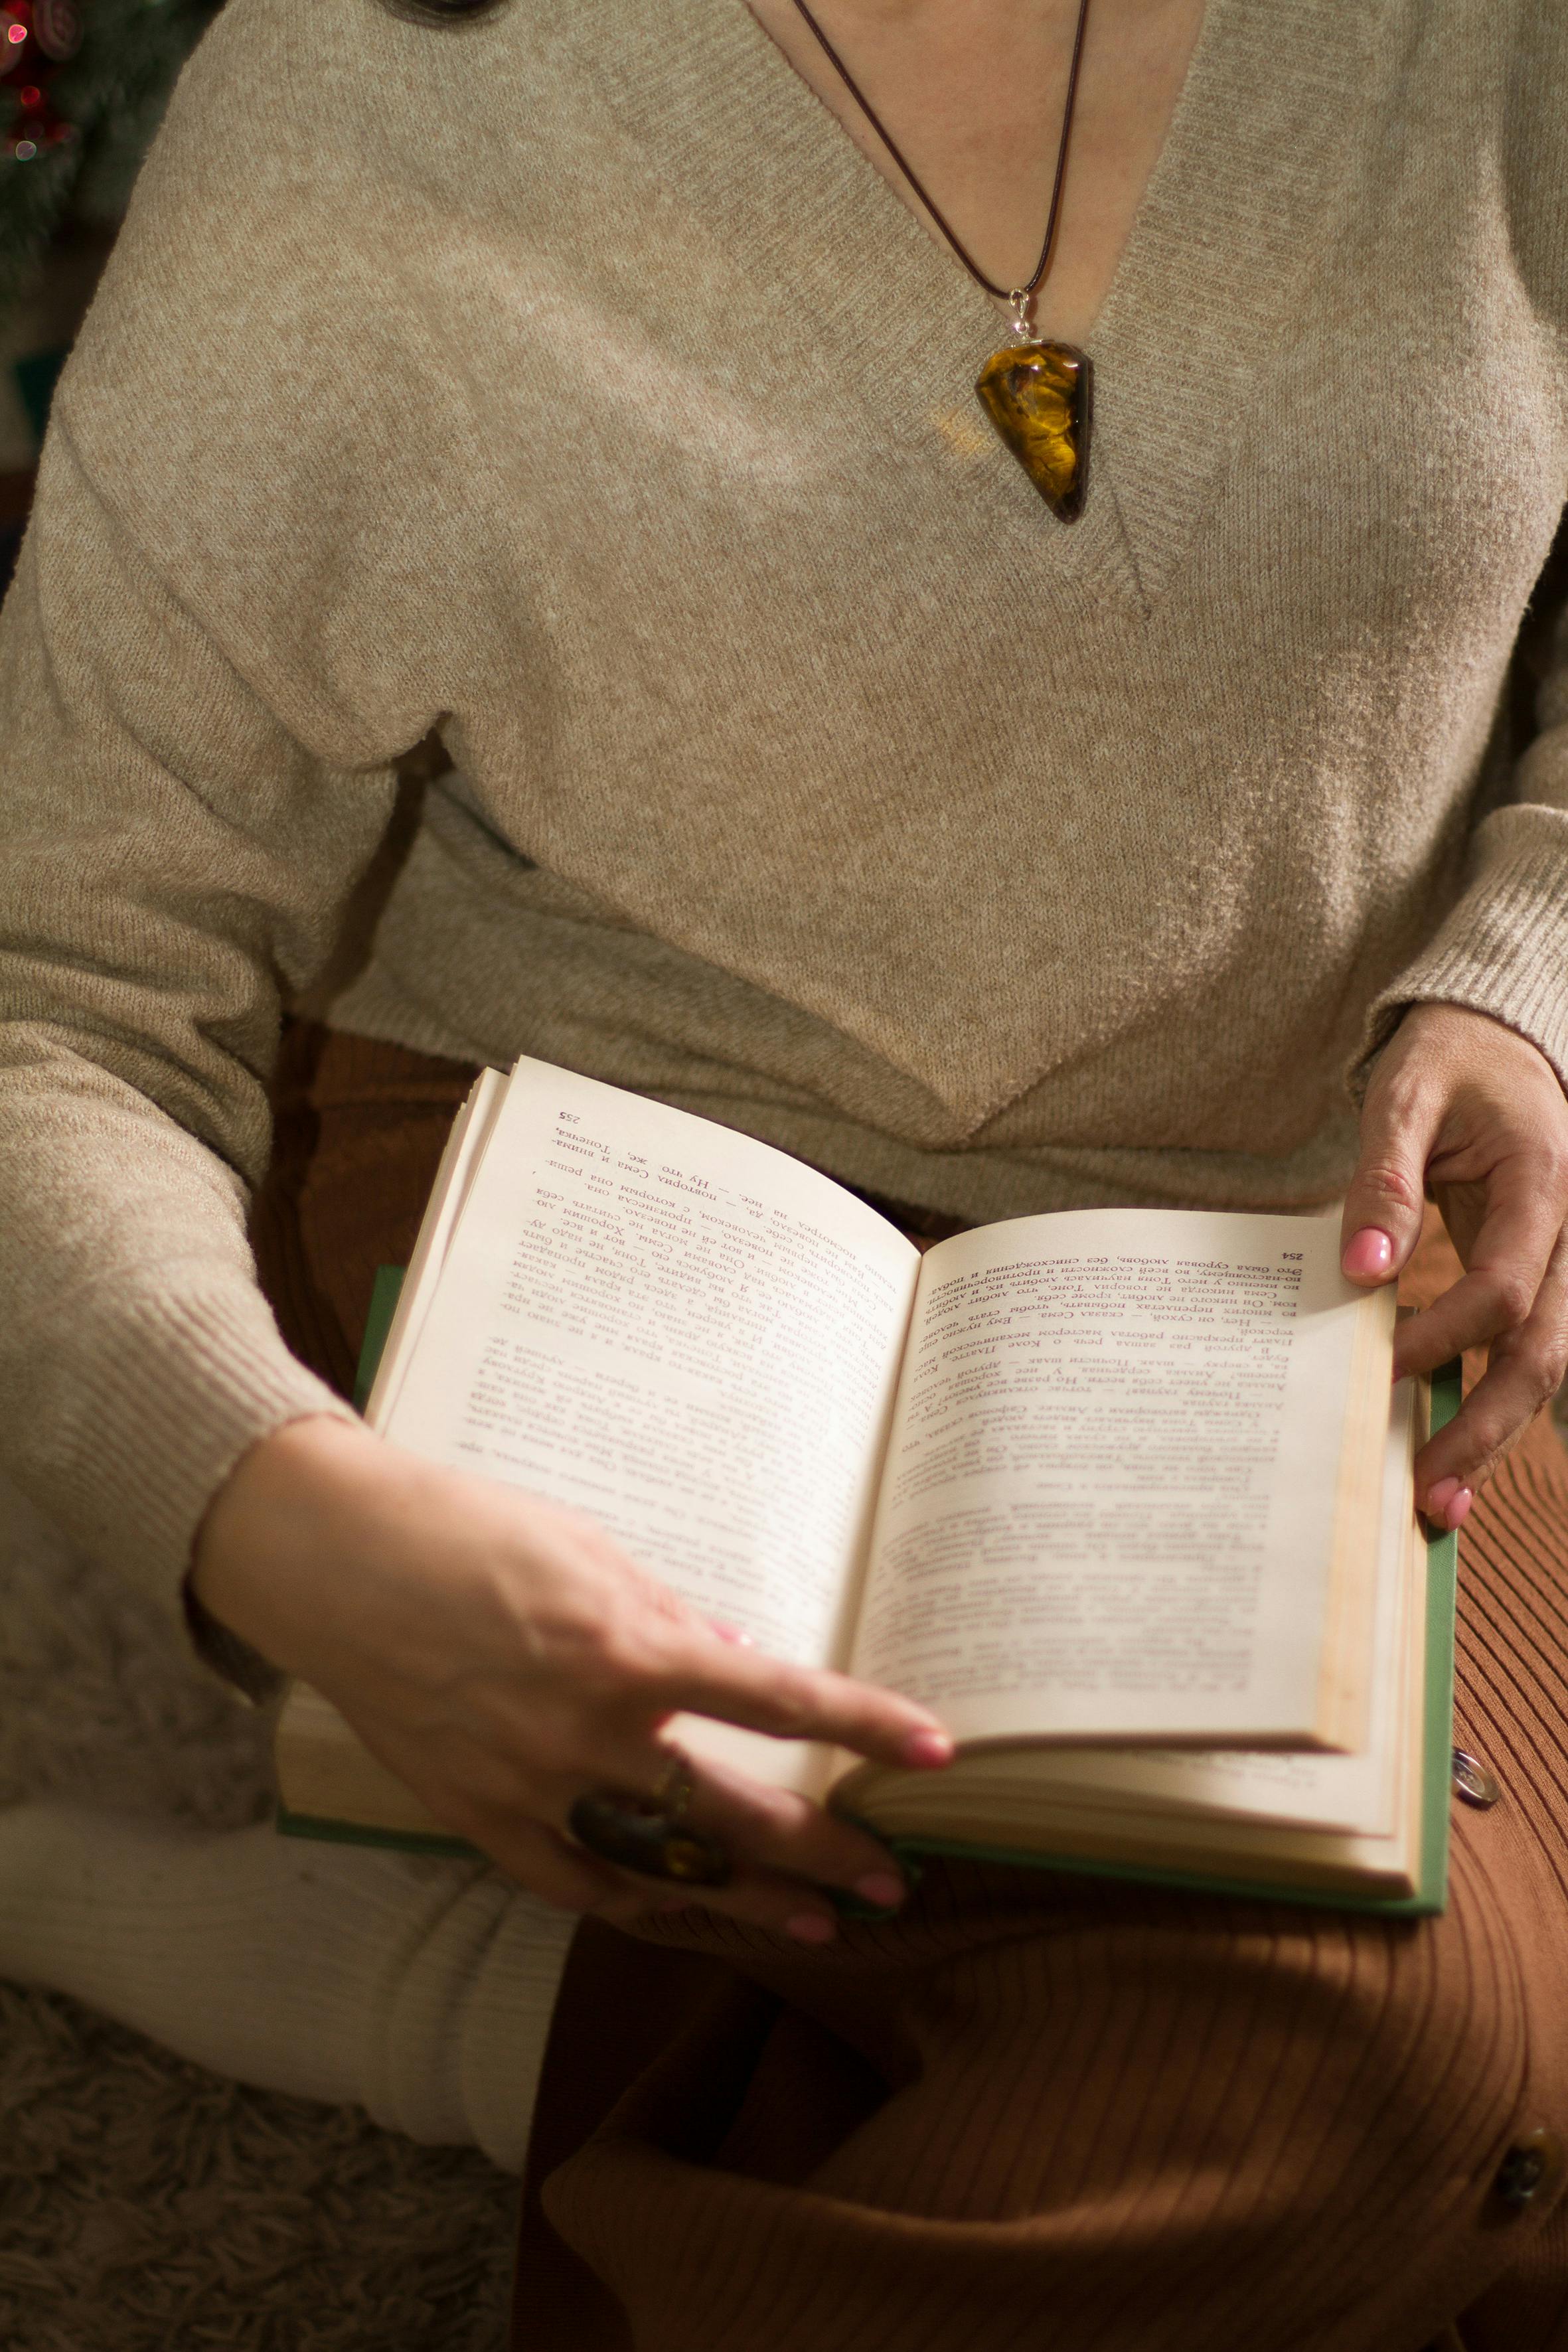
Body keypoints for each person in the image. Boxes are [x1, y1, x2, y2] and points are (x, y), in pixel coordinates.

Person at [1, 0, 1566, 2341]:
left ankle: (486, 2001)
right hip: (605, 1202)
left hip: (1314, 1218)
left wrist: (1527, 963)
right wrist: (294, 1527)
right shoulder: (353, 104)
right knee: (1383, 2059)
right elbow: (56, 990)